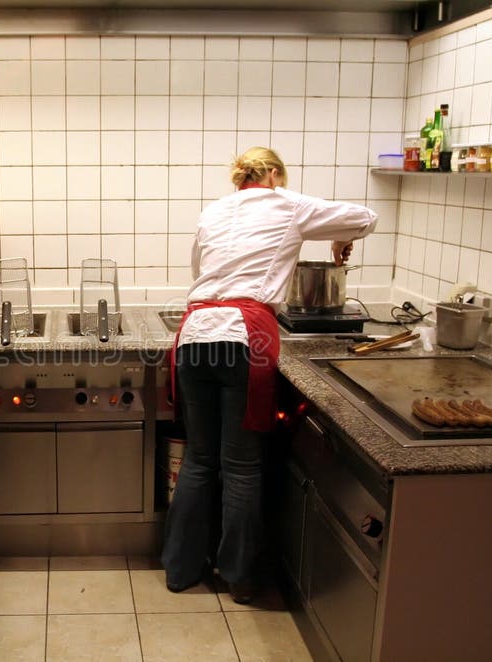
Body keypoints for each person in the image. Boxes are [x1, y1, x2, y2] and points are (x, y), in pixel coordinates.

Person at [162, 146, 378, 604]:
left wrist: (332, 237)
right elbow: (365, 217)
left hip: (196, 332)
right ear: (275, 175)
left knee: (200, 459)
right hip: (244, 336)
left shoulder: (213, 212)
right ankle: (239, 577)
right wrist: (339, 238)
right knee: (241, 464)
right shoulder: (289, 204)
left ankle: (180, 570)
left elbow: (201, 271)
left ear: (239, 179)